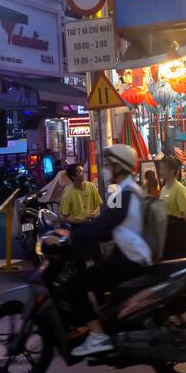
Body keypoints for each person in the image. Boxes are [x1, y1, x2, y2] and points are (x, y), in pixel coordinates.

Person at [57, 143, 153, 357]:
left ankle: (98, 336)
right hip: (127, 254)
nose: (105, 168)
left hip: (129, 259)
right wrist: (88, 235)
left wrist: (74, 237)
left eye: (109, 164)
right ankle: (109, 328)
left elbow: (103, 225)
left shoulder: (126, 194)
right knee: (95, 280)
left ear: (120, 167)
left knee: (75, 285)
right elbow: (107, 225)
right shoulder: (125, 191)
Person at [159, 155, 186, 251]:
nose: (160, 172)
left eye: (163, 169)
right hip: (167, 230)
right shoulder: (163, 189)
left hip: (178, 230)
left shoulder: (179, 188)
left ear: (171, 171)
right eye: (160, 169)